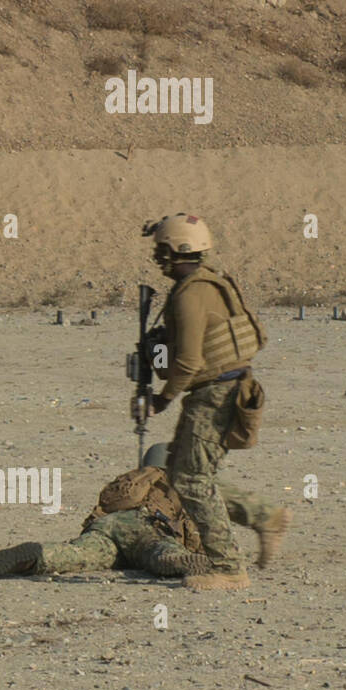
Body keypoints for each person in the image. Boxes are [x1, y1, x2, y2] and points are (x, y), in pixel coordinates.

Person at [135, 213, 292, 591]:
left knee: (190, 481)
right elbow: (178, 358)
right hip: (215, 391)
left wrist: (161, 400)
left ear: (179, 249)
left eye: (162, 249)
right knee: (179, 478)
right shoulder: (199, 285)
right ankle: (265, 516)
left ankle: (229, 568)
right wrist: (154, 355)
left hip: (216, 395)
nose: (158, 258)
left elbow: (188, 360)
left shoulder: (191, 292)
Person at [0, 445, 211, 579]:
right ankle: (180, 562)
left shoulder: (132, 479)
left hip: (106, 526)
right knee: (162, 553)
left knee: (78, 554)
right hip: (146, 526)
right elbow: (193, 530)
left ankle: (37, 556)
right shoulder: (176, 483)